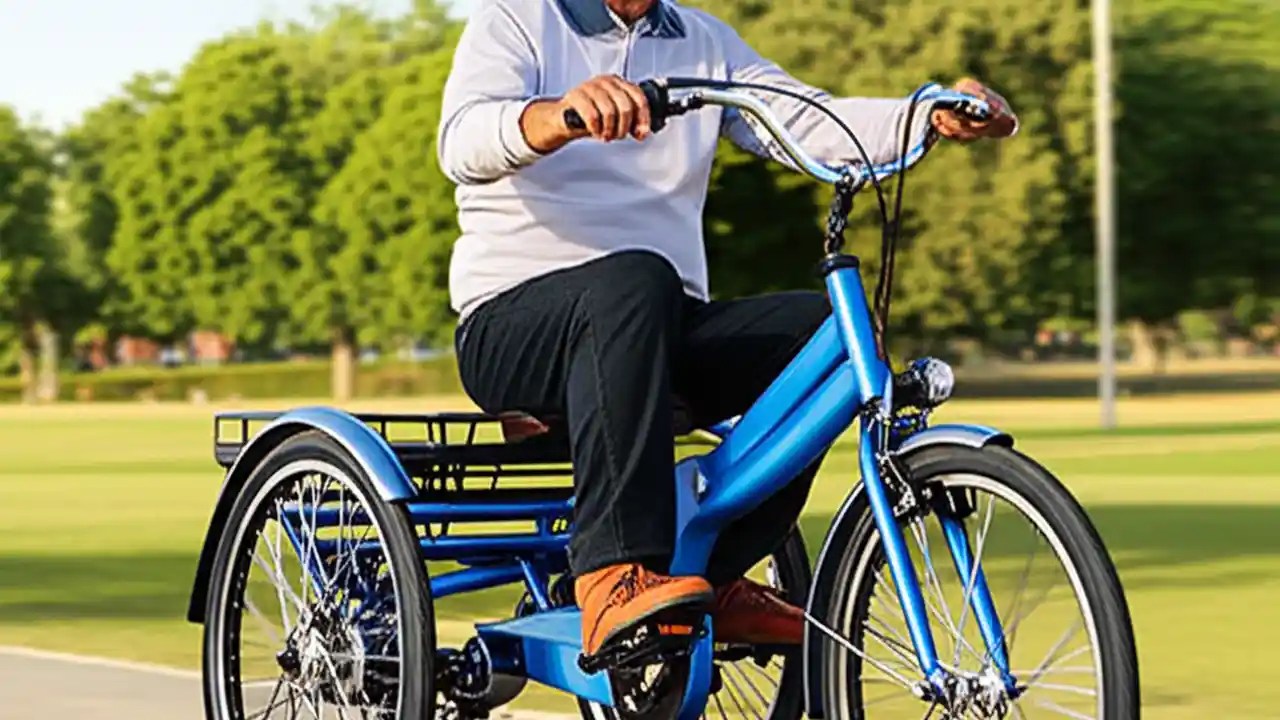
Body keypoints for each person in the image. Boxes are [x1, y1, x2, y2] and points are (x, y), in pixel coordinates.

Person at [437, 0, 1018, 658]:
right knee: (636, 279)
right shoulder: (518, 17)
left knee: (821, 333)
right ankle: (607, 576)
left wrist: (925, 115)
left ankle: (712, 573)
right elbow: (461, 139)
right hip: (515, 325)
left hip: (653, 325)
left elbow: (810, 120)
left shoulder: (703, 41)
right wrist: (559, 115)